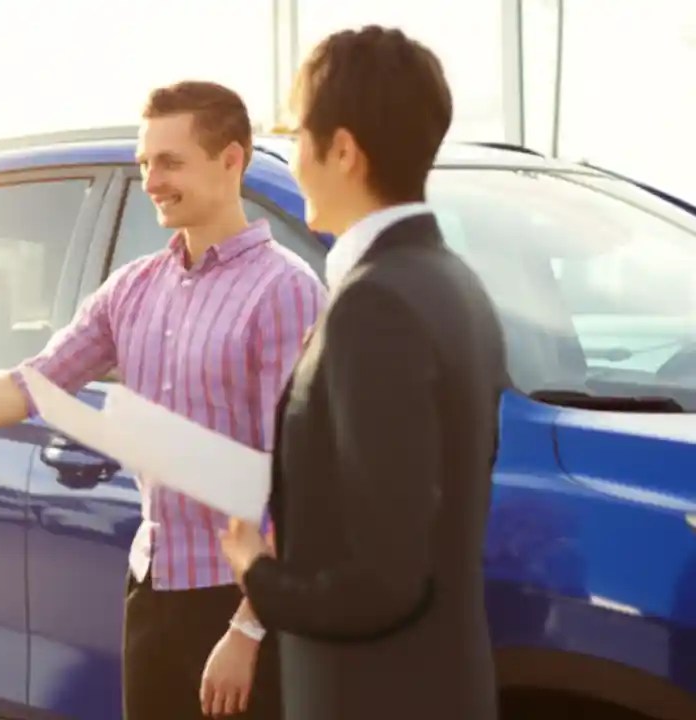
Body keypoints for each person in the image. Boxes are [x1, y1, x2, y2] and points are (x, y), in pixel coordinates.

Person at [0, 81, 326, 719]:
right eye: (146, 162)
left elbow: (296, 482)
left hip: (235, 601)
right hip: (152, 591)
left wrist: (249, 629)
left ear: (232, 160)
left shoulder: (284, 291)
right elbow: (27, 386)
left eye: (170, 162)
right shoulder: (134, 289)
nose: (151, 180)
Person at [217, 26, 506, 720]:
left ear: (342, 150)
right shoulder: (457, 282)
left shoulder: (374, 306)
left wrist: (259, 574)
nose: (291, 160)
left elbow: (383, 581)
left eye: (295, 136)